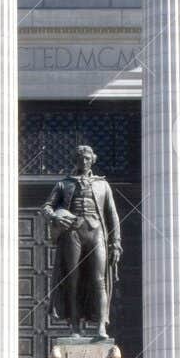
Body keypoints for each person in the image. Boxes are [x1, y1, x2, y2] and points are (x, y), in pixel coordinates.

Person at [43, 144, 122, 340]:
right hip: (73, 232)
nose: (83, 161)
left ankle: (101, 326)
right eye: (80, 158)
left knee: (99, 280)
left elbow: (112, 215)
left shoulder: (102, 184)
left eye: (87, 158)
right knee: (73, 280)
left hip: (96, 233)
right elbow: (46, 206)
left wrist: (116, 242)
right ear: (75, 160)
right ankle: (75, 327)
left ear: (92, 160)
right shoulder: (64, 183)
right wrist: (54, 217)